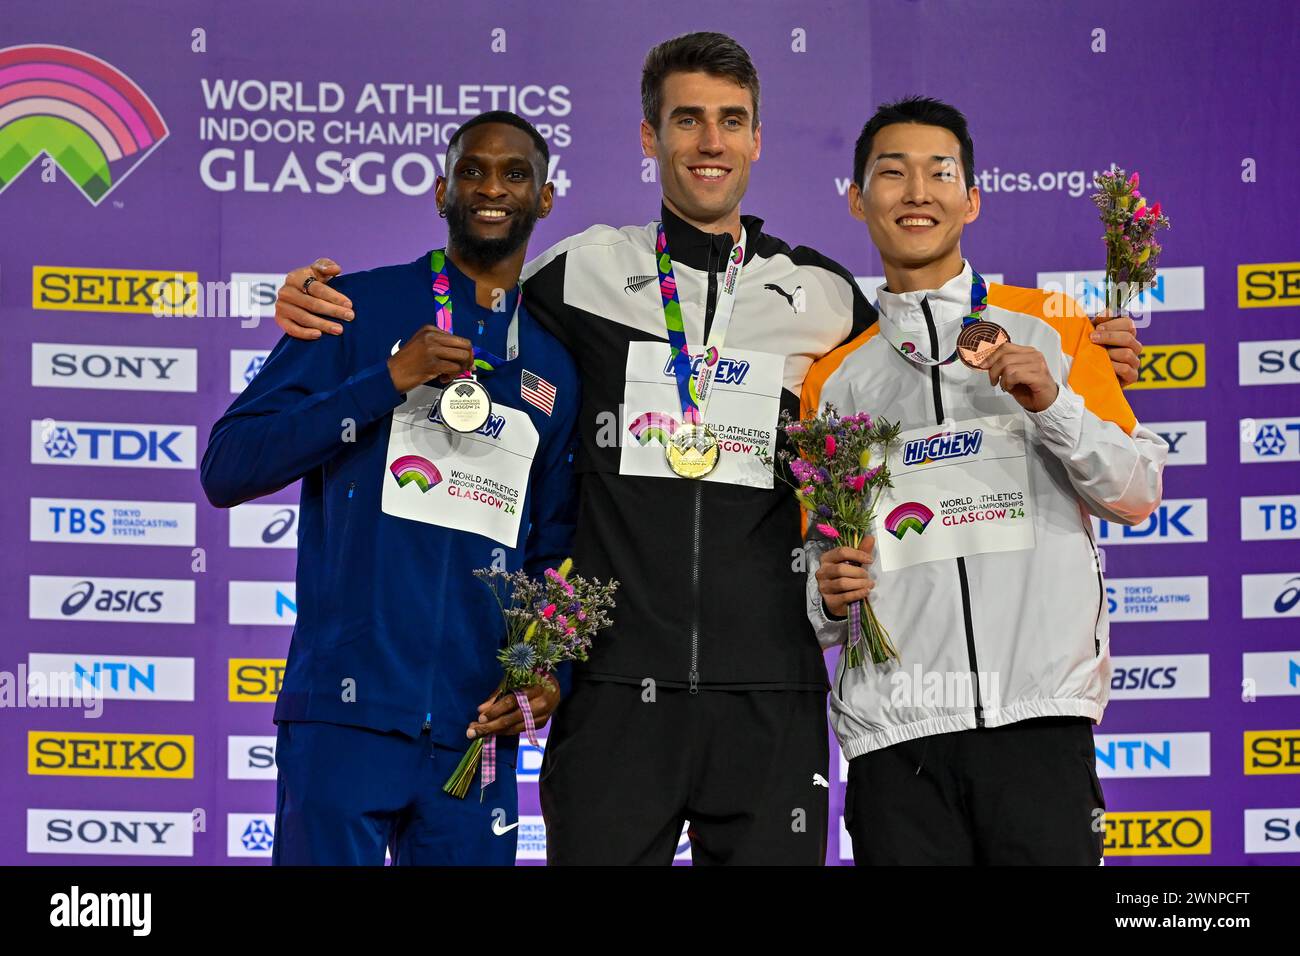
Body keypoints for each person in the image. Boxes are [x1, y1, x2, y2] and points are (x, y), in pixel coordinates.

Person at [270, 34, 1148, 866]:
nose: (709, 141)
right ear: (650, 138)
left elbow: (923, 362)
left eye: (730, 119)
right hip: (615, 695)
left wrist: (1087, 350)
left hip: (771, 696)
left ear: (758, 140)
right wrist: (322, 306)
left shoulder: (824, 296)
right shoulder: (581, 271)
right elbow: (476, 293)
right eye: (686, 119)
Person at [201, 111, 579, 865]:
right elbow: (230, 466)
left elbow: (554, 548)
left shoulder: (553, 367)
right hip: (346, 717)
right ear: (442, 191)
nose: (491, 189)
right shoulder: (359, 310)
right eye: (472, 171)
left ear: (544, 199)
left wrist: (547, 673)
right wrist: (386, 380)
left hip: (476, 735)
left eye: (514, 175)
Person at [804, 96, 1168, 865]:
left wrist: (1054, 404)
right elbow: (823, 576)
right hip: (895, 737)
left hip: (1039, 727)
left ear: (972, 197)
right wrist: (822, 592)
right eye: (891, 173)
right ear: (856, 199)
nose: (917, 192)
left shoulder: (1057, 329)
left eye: (941, 173)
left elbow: (1136, 493)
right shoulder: (834, 379)